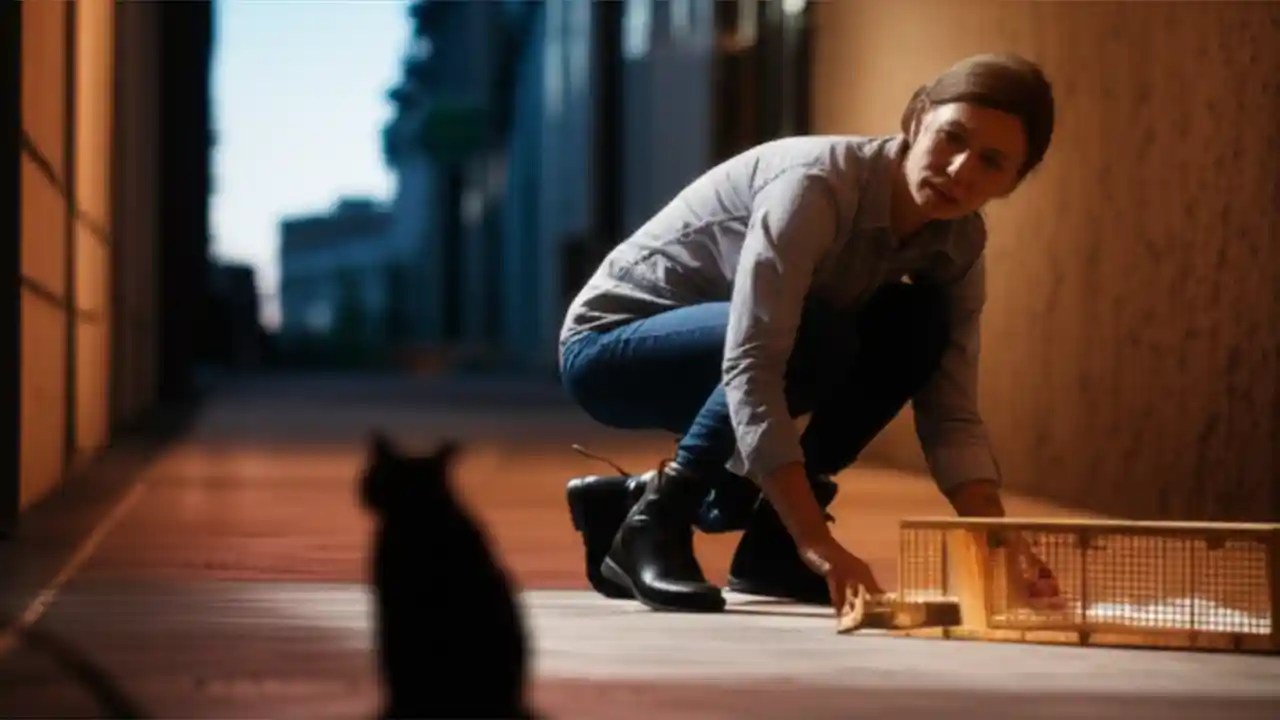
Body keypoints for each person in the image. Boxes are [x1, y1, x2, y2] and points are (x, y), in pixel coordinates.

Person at [558, 53, 1058, 615]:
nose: (961, 170)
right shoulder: (816, 186)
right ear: (916, 119)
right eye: (952, 138)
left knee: (917, 326)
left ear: (1013, 182)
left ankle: (770, 548)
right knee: (816, 333)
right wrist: (817, 540)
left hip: (750, 353)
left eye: (991, 162)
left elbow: (950, 409)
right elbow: (754, 363)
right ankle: (655, 519)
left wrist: (998, 543)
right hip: (613, 345)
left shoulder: (958, 244)